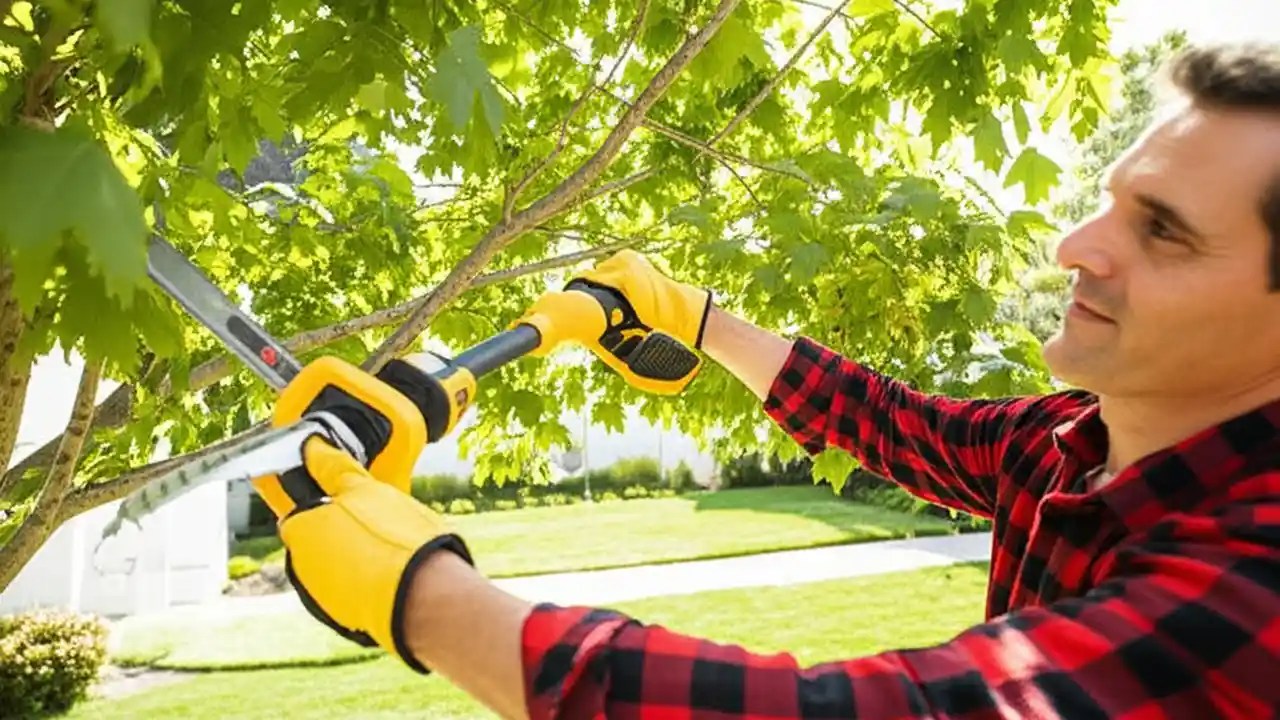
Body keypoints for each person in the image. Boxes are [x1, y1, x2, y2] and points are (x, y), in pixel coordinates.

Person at [272, 42, 1280, 719]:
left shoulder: (1252, 588)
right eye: (1109, 202)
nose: (1072, 246)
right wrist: (691, 317)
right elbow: (893, 424)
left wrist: (413, 587)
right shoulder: (1072, 445)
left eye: (1163, 233)